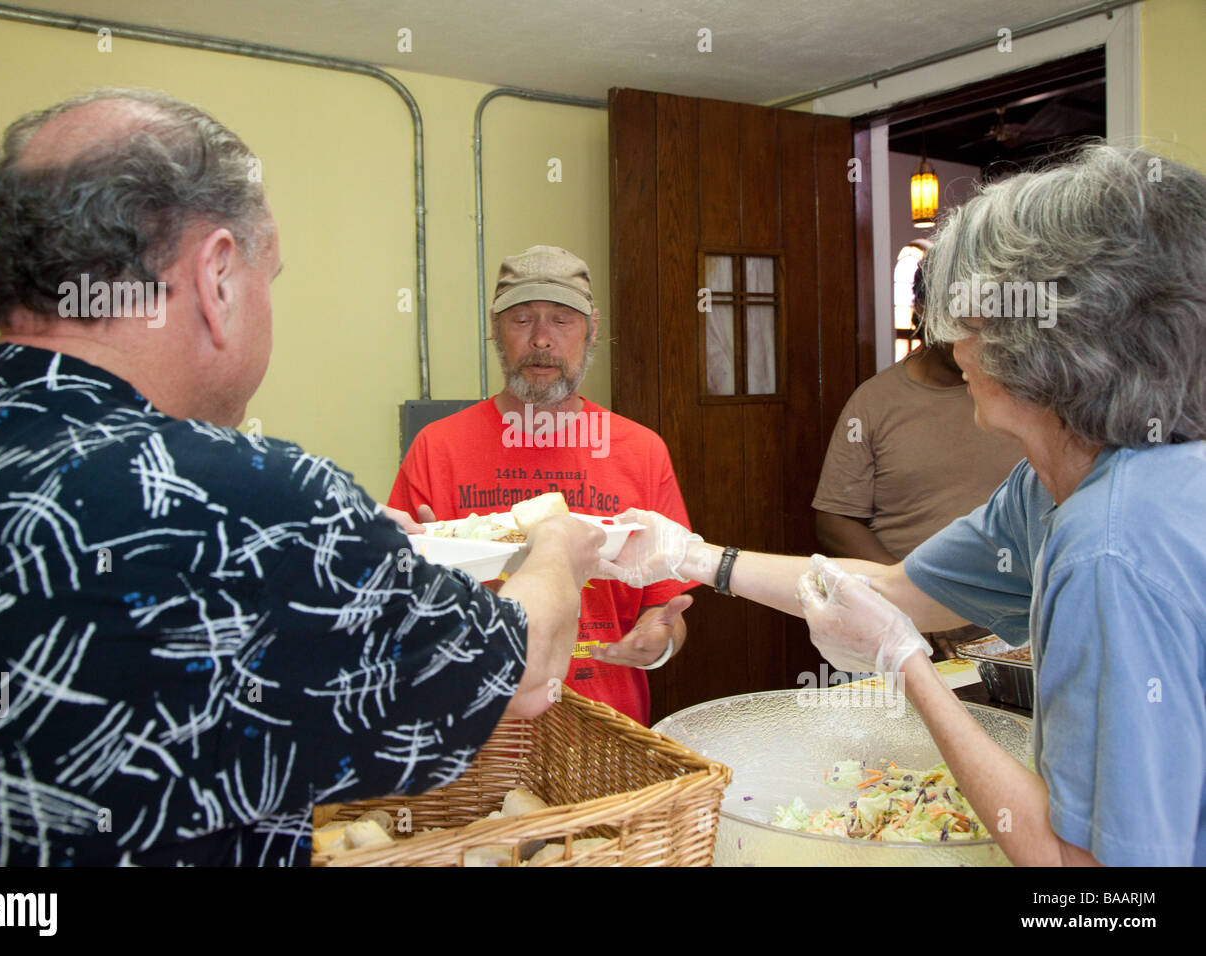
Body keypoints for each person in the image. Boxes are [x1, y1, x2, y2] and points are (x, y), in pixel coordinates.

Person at [0, 89, 603, 866]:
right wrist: (554, 548)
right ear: (218, 276)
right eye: (271, 277)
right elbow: (512, 672)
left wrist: (355, 550)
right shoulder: (260, 506)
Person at [603, 144, 1206, 866]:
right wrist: (692, 557)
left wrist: (905, 665)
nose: (953, 345)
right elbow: (900, 589)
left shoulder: (1109, 544)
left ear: (1043, 345)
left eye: (969, 322)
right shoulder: (1052, 484)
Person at [388, 246, 694, 726]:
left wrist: (658, 645)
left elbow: (667, 612)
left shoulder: (641, 450)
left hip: (606, 731)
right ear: (496, 332)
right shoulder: (437, 448)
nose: (542, 340)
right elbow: (393, 608)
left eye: (562, 320)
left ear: (591, 330)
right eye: (522, 320)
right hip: (474, 730)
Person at [812, 262, 1022, 658]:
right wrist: (915, 596)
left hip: (1012, 623)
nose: (973, 331)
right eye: (958, 315)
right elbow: (835, 520)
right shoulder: (873, 403)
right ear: (922, 308)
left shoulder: (1019, 398)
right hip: (906, 628)